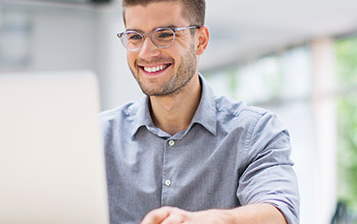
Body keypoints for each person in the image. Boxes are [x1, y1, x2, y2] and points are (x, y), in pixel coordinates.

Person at [100, 0, 300, 223]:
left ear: (201, 40)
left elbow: (279, 213)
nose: (147, 52)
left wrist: (211, 221)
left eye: (165, 34)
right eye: (135, 37)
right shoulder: (97, 137)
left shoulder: (255, 133)